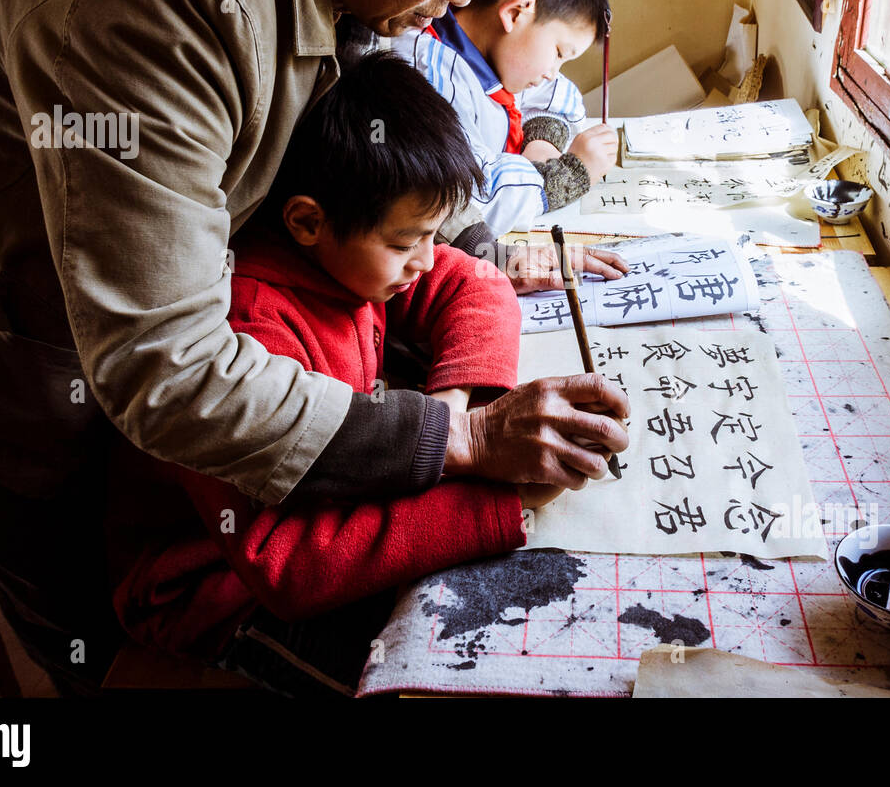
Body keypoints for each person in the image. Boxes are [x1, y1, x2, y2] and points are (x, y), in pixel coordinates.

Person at [0, 0, 627, 694]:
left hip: (137, 346)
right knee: (95, 641)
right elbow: (169, 368)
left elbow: (377, 162)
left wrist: (476, 251)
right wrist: (459, 434)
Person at [109, 52, 568, 695]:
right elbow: (288, 568)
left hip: (337, 514)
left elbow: (478, 283)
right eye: (409, 241)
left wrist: (454, 421)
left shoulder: (351, 255)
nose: (426, 260)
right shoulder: (246, 334)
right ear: (306, 221)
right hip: (221, 591)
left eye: (434, 235)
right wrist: (495, 492)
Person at [391, 0, 619, 235]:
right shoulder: (429, 73)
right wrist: (570, 174)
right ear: (515, 12)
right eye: (559, 53)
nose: (553, 72)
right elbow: (475, 196)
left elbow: (558, 95)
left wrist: (541, 143)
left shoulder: (495, 54)